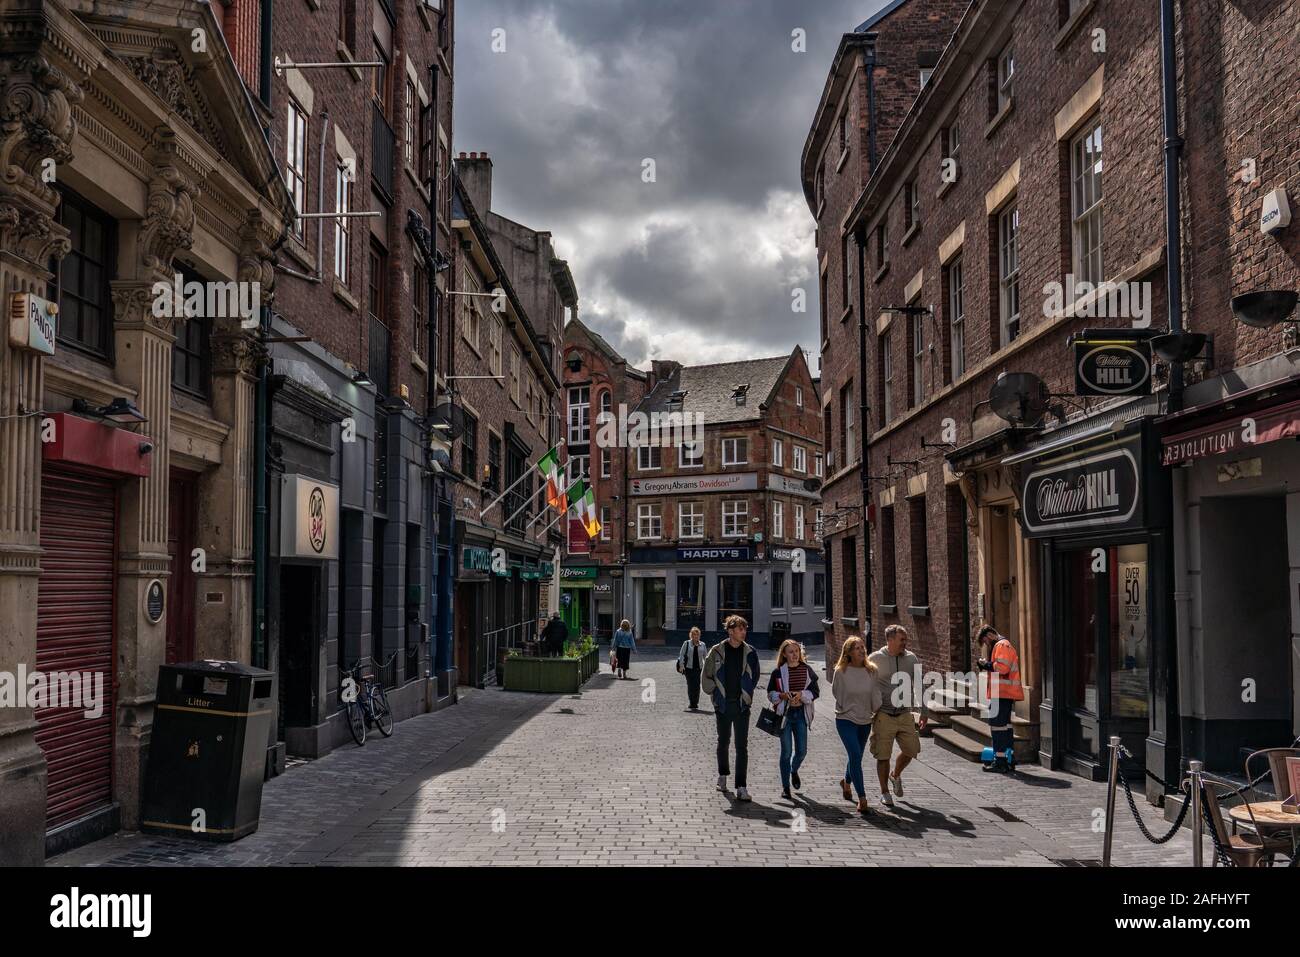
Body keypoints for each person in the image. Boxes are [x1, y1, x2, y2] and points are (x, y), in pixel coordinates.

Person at [701, 615, 761, 801]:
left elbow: (755, 676)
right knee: (724, 741)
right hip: (724, 705)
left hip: (742, 705)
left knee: (742, 746)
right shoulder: (717, 651)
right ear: (730, 631)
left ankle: (742, 786)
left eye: (745, 628)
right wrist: (716, 696)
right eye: (740, 629)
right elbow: (706, 676)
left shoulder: (750, 652)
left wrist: (747, 693)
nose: (744, 632)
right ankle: (723, 775)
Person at [868, 624, 927, 807]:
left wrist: (924, 711)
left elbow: (919, 685)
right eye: (902, 639)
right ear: (890, 639)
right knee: (882, 755)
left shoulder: (911, 658)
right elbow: (865, 685)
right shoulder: (875, 659)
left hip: (904, 713)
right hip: (883, 714)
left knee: (912, 749)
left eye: (906, 639)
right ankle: (885, 792)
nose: (905, 643)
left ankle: (896, 774)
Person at [831, 636, 882, 815]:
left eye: (863, 647)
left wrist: (877, 709)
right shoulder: (841, 671)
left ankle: (846, 782)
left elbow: (875, 693)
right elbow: (836, 692)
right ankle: (862, 798)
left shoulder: (871, 671)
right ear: (849, 652)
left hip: (865, 720)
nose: (862, 650)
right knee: (854, 753)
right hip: (845, 719)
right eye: (857, 648)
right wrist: (846, 707)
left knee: (856, 757)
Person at [767, 639, 820, 800]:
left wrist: (801, 695)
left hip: (801, 715)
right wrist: (782, 695)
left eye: (797, 651)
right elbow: (770, 693)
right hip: (784, 716)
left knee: (802, 751)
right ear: (784, 654)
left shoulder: (807, 670)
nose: (794, 654)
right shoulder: (778, 672)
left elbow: (815, 692)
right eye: (791, 652)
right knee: (786, 752)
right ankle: (785, 787)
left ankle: (794, 770)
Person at [975, 624, 1024, 773]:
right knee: (1005, 726)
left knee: (997, 726)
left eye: (985, 641)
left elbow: (1002, 668)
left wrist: (986, 664)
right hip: (1003, 693)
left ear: (990, 635)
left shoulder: (1001, 645)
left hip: (1002, 693)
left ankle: (1000, 761)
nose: (986, 645)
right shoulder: (1004, 645)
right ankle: (1008, 758)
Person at [676, 626, 707, 710]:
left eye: (697, 635)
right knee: (690, 685)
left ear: (699, 636)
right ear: (691, 635)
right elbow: (681, 655)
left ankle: (695, 702)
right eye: (694, 635)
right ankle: (691, 702)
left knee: (697, 686)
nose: (696, 636)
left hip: (699, 668)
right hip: (688, 668)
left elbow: (706, 657)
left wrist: (707, 667)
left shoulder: (703, 644)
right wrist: (681, 666)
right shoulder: (686, 643)